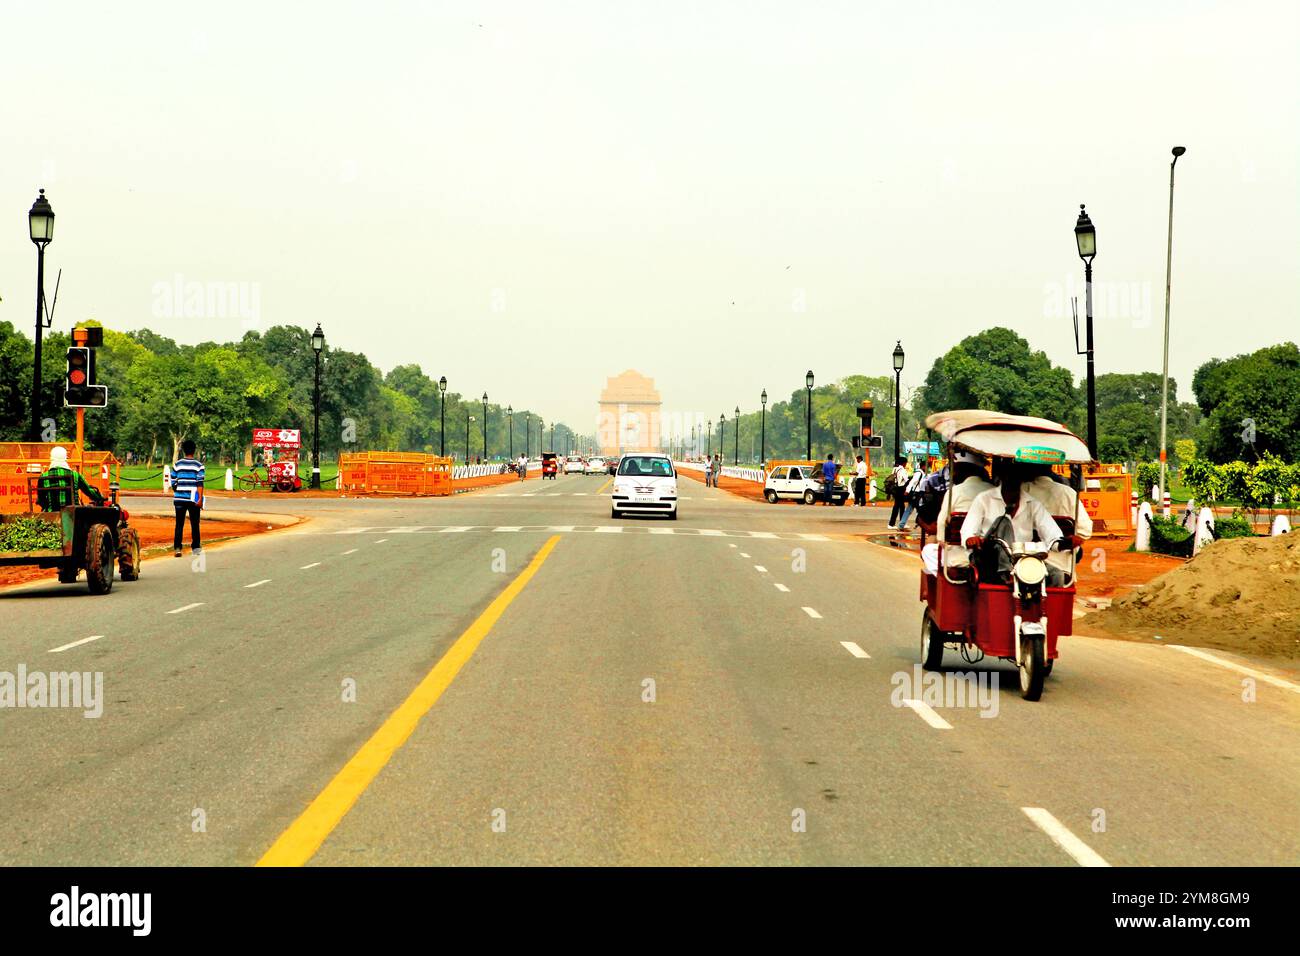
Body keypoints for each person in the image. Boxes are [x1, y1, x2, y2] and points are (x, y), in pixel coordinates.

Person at [960, 460, 1080, 585]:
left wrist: (1065, 542)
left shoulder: (1032, 504)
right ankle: (1006, 574)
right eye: (1009, 476)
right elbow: (968, 529)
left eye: (1017, 476)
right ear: (1001, 477)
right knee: (1004, 522)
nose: (1013, 480)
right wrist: (970, 539)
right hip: (988, 559)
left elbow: (1052, 534)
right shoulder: (984, 499)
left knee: (1056, 575)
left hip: (1023, 560)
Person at [1019, 463, 1093, 579]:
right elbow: (1086, 530)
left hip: (1026, 564)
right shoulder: (1068, 492)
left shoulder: (1021, 490)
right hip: (1063, 565)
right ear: (1051, 469)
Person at [36, 446, 105, 511]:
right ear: (66, 458)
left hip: (51, 514)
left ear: (51, 458)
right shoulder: (75, 475)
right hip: (73, 514)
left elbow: (41, 499)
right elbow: (88, 491)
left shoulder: (43, 477)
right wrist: (99, 497)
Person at [172, 439, 205, 557]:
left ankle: (177, 548)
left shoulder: (177, 465)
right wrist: (199, 499)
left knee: (179, 524)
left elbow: (173, 483)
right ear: (194, 450)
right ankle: (196, 547)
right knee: (195, 523)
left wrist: (179, 491)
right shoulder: (199, 466)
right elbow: (199, 483)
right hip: (193, 499)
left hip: (179, 499)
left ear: (183, 450)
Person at [897, 461, 928, 529]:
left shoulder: (922, 473)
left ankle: (902, 524)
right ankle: (922, 525)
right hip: (916, 494)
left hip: (918, 494)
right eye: (926, 466)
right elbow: (912, 482)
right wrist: (907, 490)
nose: (927, 468)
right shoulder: (919, 473)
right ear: (923, 466)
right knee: (920, 510)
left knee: (909, 510)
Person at [887, 456, 909, 528]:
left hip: (895, 489)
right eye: (906, 463)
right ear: (903, 463)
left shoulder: (895, 469)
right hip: (901, 489)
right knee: (897, 507)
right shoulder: (902, 470)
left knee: (901, 506)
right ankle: (891, 524)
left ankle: (902, 523)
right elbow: (906, 480)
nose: (906, 464)